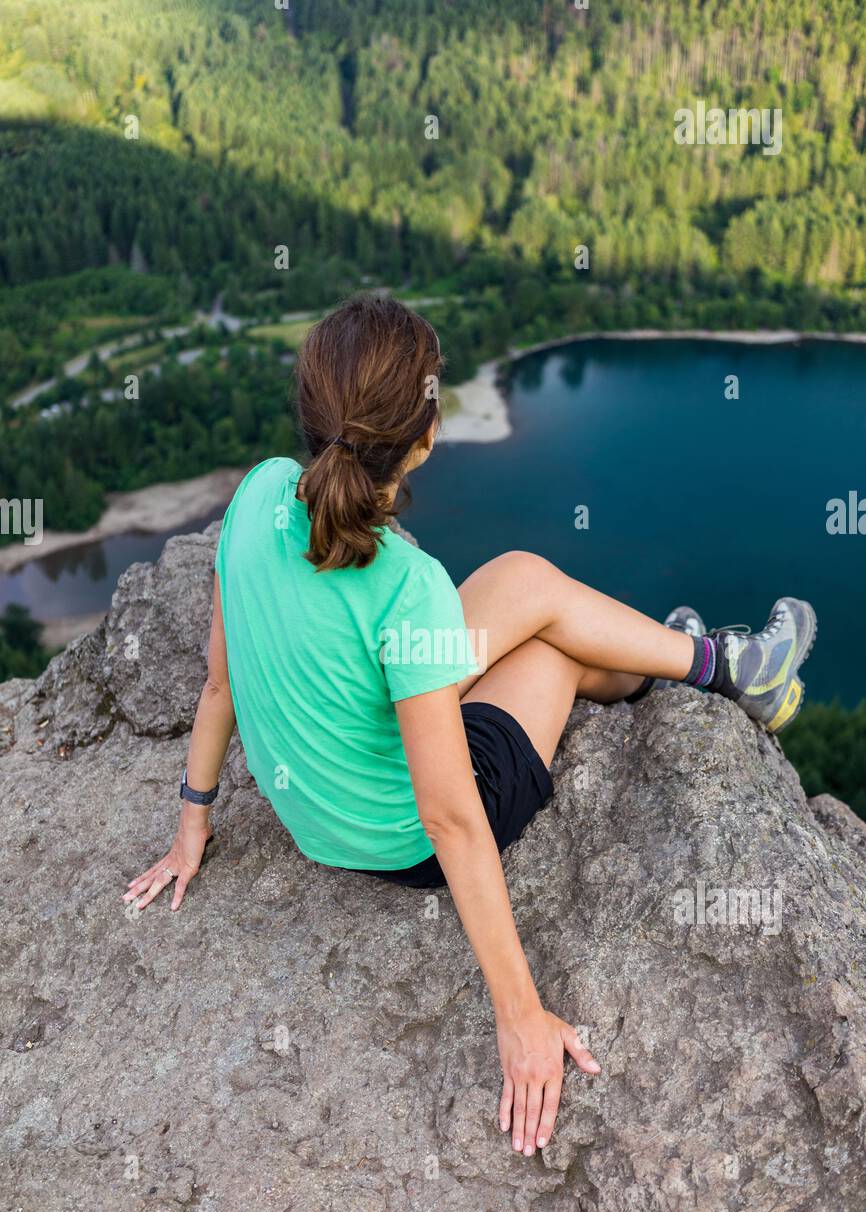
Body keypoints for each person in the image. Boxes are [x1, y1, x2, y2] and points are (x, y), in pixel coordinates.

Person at [123, 295, 817, 1157]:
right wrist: (520, 1017)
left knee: (525, 581)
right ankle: (711, 667)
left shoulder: (259, 493)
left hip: (318, 814)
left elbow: (220, 682)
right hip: (401, 835)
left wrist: (194, 819)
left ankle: (673, 656)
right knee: (557, 644)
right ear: (423, 435)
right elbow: (452, 817)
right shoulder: (404, 583)